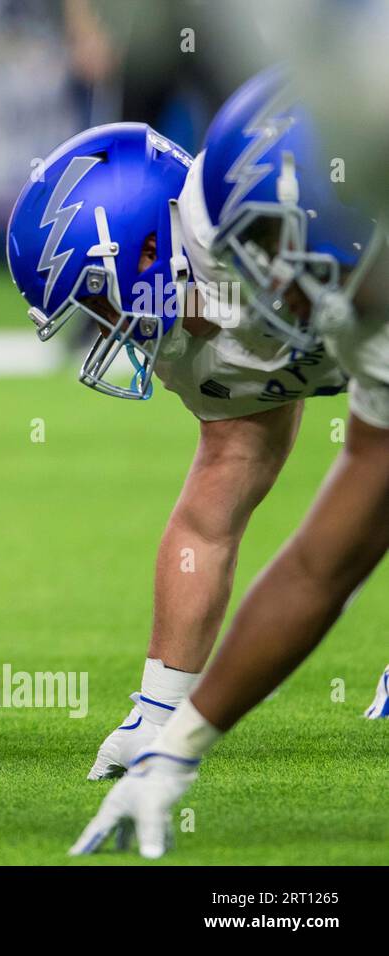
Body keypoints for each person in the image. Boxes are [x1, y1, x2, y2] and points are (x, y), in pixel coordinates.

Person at [71, 68, 389, 858]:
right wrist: (171, 726)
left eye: (99, 299)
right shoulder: (218, 245)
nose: (278, 287)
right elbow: (322, 558)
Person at [5, 116, 351, 781]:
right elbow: (215, 507)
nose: (108, 327)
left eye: (98, 300)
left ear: (144, 249)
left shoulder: (271, 206)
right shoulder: (185, 339)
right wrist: (159, 717)